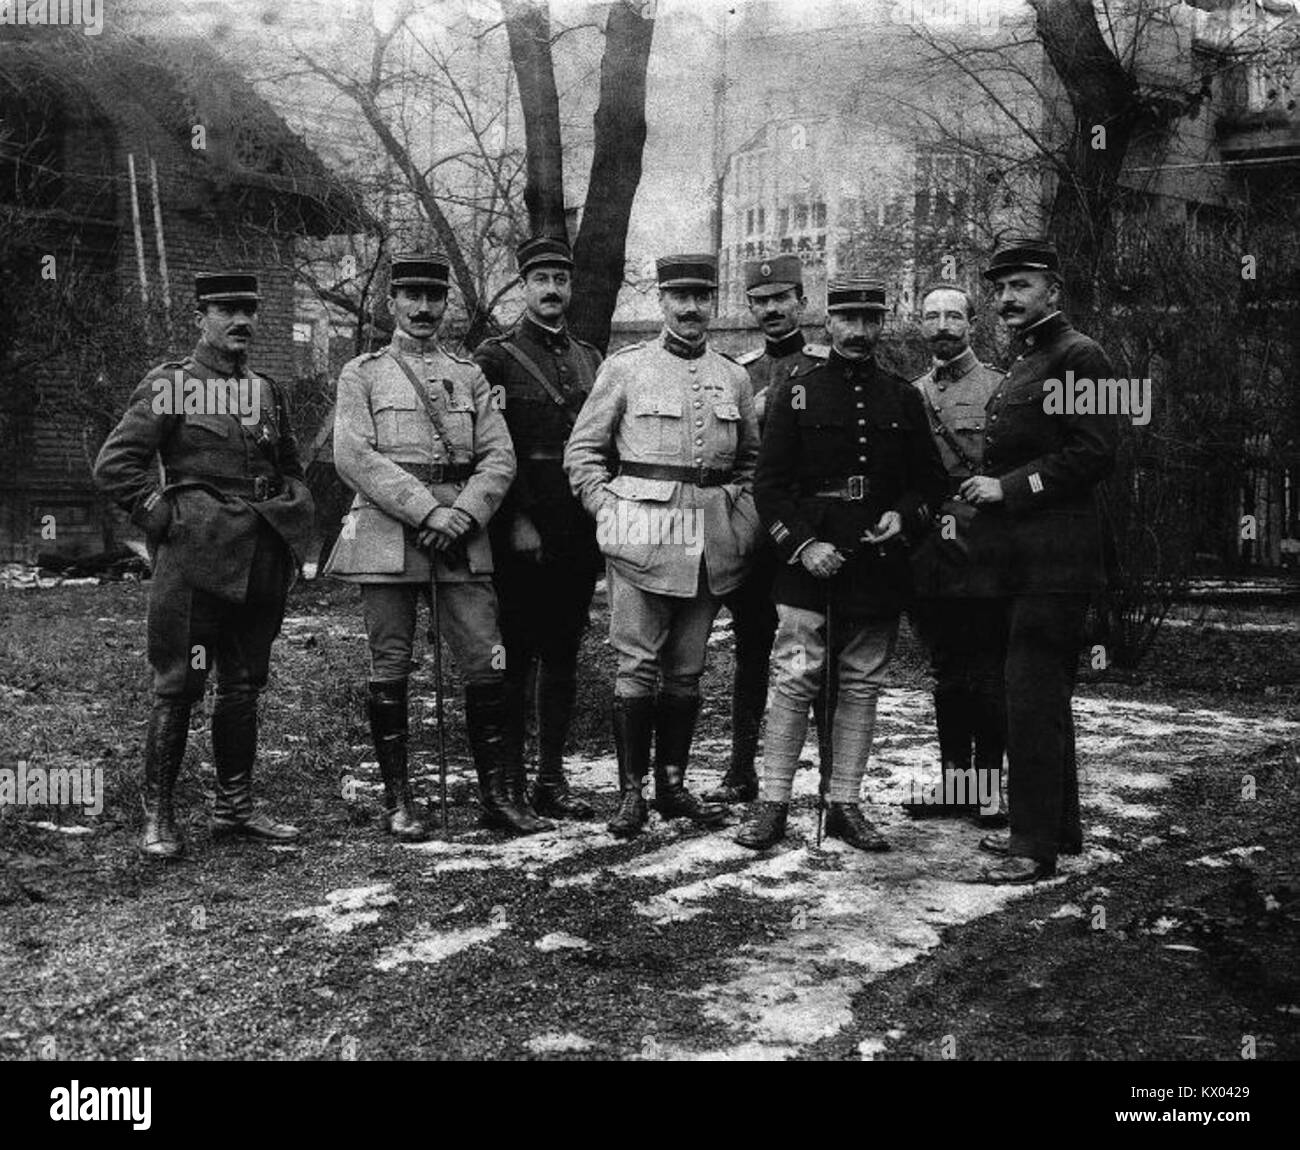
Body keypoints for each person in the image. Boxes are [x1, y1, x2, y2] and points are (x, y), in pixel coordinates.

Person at [94, 271, 315, 858]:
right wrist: (162, 516)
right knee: (179, 685)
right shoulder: (173, 385)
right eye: (226, 310)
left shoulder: (267, 391)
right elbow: (115, 465)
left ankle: (235, 807)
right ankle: (159, 816)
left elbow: (290, 463)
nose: (240, 321)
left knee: (243, 684)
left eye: (248, 310)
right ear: (201, 316)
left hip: (255, 560)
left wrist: (287, 505)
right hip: (194, 562)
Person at [324, 252, 545, 839]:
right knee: (390, 662)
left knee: (486, 657)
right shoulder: (362, 374)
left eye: (434, 298)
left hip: (463, 539)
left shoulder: (469, 375)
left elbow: (500, 455)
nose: (423, 309)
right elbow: (354, 455)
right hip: (386, 532)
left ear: (448, 304)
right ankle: (399, 802)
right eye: (411, 297)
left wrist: (463, 513)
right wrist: (427, 510)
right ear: (391, 302)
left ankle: (497, 796)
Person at [737, 277, 946, 851]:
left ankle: (845, 805)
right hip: (807, 562)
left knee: (860, 685)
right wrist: (803, 545)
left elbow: (929, 480)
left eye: (870, 321)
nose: (859, 332)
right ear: (827, 323)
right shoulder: (797, 390)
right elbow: (769, 485)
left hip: (875, 563)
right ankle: (771, 804)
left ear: (882, 323)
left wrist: (905, 516)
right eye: (848, 321)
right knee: (794, 677)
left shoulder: (902, 396)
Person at [564, 253, 760, 838]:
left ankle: (672, 786)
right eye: (681, 297)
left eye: (702, 297)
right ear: (662, 300)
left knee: (687, 668)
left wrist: (741, 518)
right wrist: (607, 511)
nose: (693, 307)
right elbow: (584, 452)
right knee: (637, 661)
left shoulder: (734, 376)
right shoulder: (626, 368)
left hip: (710, 541)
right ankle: (631, 795)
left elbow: (748, 460)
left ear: (713, 302)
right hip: (640, 537)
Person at [967, 238, 1119, 883]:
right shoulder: (1031, 360)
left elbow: (1096, 454)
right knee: (1037, 693)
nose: (1007, 298)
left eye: (1022, 285)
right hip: (1021, 559)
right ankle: (1057, 826)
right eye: (1000, 288)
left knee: (1032, 695)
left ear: (1053, 290)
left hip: (1058, 558)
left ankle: (1030, 847)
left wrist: (1010, 488)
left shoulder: (1081, 356)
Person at [474, 236, 604, 819]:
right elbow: (491, 449)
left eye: (562, 280)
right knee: (516, 654)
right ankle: (509, 782)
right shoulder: (494, 358)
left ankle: (552, 779)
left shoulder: (590, 359)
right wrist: (518, 519)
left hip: (576, 526)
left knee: (563, 653)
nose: (553, 291)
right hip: (519, 526)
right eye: (541, 280)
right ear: (523, 286)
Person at [705, 253, 832, 805]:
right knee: (752, 648)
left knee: (819, 651)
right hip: (757, 536)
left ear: (802, 303)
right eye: (760, 301)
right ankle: (740, 769)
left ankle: (832, 780)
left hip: (812, 534)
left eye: (782, 299)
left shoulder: (829, 368)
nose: (772, 309)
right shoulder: (739, 372)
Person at [904, 283, 1008, 824]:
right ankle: (956, 786)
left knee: (987, 670)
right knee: (946, 670)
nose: (942, 325)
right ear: (920, 323)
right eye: (931, 316)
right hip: (930, 551)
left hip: (984, 545)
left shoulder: (999, 387)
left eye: (953, 316)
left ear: (971, 323)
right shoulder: (910, 393)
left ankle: (989, 789)